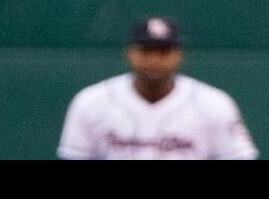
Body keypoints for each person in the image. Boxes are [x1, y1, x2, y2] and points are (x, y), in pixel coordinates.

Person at [58, 16, 258, 160]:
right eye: (145, 50)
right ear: (130, 53)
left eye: (163, 51)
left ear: (179, 55)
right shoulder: (91, 101)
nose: (154, 60)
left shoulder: (214, 104)